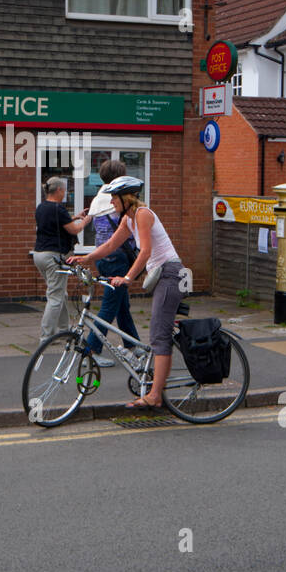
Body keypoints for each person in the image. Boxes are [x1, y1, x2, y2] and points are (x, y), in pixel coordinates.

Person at [70, 175, 182, 409]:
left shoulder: (142, 214)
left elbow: (146, 251)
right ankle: (153, 383)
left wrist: (128, 277)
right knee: (158, 329)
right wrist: (87, 257)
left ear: (126, 198)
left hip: (171, 274)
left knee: (158, 334)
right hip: (159, 275)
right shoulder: (128, 219)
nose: (111, 202)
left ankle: (155, 396)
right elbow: (111, 244)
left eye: (114, 198)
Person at [81, 159, 140, 367]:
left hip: (102, 257)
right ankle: (91, 349)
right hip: (118, 257)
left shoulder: (98, 197)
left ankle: (133, 345)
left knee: (121, 304)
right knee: (109, 307)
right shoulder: (118, 198)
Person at [32, 176, 90, 341]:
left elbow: (54, 223)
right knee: (55, 297)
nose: (65, 193)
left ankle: (64, 330)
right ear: (58, 190)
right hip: (54, 257)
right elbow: (74, 230)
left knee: (59, 293)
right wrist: (85, 221)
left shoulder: (41, 207)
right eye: (64, 190)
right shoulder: (58, 209)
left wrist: (74, 216)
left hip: (39, 255)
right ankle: (46, 336)